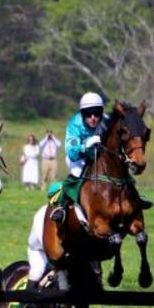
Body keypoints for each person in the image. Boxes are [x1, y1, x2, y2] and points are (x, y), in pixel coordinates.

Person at [50, 92, 108, 223]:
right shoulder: (75, 124)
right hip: (78, 158)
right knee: (76, 172)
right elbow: (72, 153)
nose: (93, 118)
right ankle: (62, 207)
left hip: (99, 156)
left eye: (97, 113)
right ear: (83, 114)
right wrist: (85, 145)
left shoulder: (106, 121)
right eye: (88, 114)